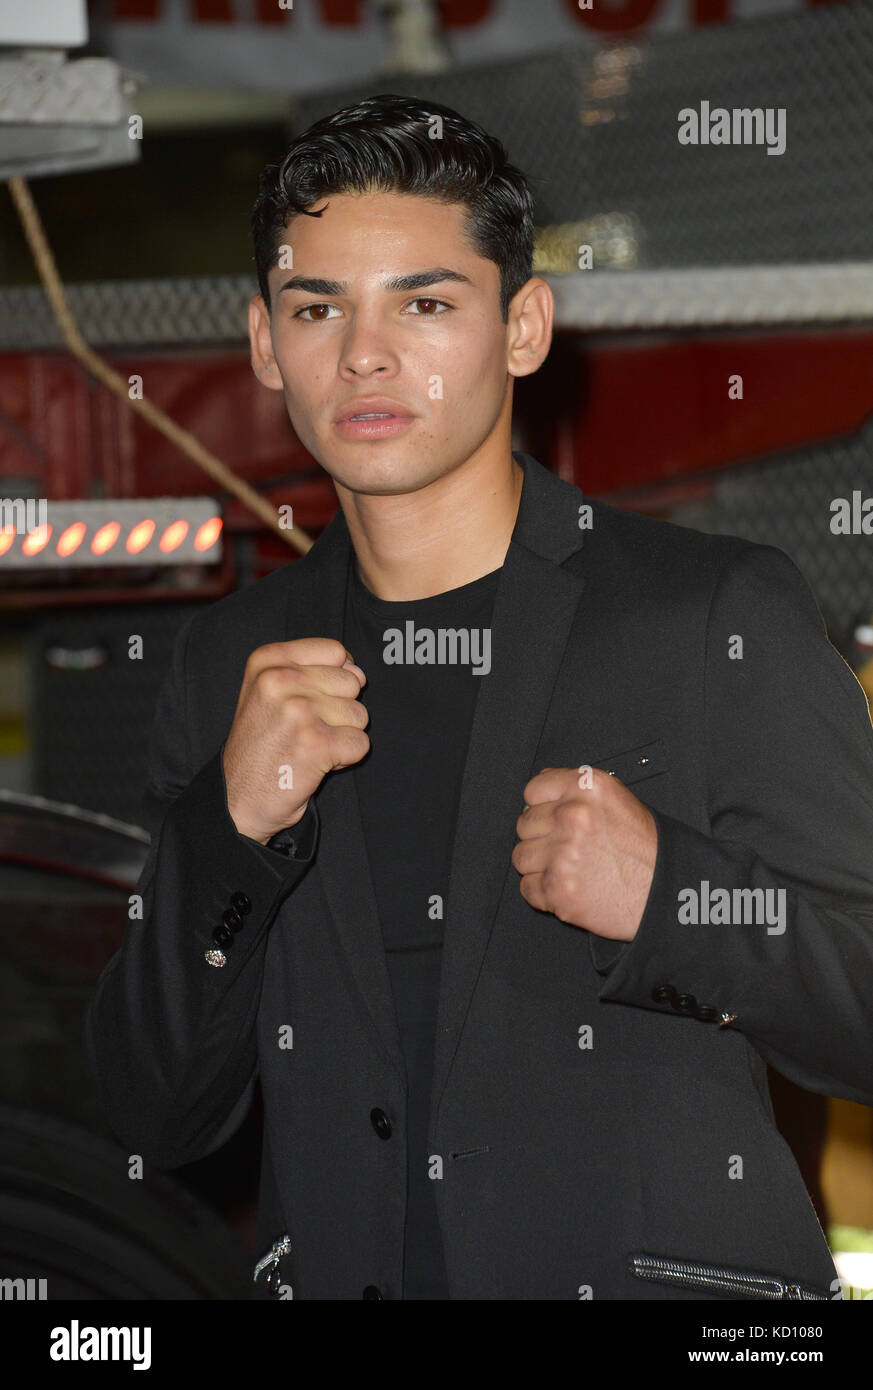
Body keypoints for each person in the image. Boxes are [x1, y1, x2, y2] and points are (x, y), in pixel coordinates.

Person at [84, 93, 873, 1301]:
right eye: (317, 308)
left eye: (425, 301)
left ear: (522, 326)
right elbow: (156, 1109)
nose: (364, 354)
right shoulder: (229, 663)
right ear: (261, 342)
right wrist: (227, 840)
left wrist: (669, 897)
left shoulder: (709, 611)